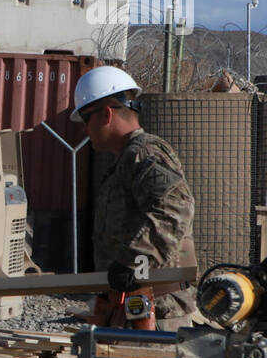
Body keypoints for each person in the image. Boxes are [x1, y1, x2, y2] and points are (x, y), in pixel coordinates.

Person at [74, 65, 198, 333]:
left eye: (85, 119)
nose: (85, 130)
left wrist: (132, 263)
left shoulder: (145, 153)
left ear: (106, 114)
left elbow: (175, 208)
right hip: (134, 306)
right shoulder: (126, 160)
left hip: (158, 311)